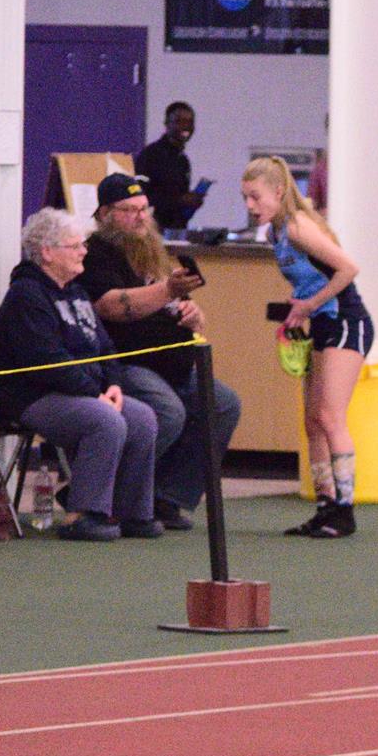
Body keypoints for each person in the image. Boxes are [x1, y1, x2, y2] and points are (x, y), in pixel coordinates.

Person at [81, 172, 241, 531]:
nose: (140, 217)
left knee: (223, 404)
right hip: (127, 363)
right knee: (168, 412)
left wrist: (192, 311)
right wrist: (169, 290)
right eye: (129, 210)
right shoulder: (96, 254)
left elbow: (174, 300)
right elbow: (111, 306)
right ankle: (107, 493)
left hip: (173, 360)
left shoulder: (150, 250)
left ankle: (166, 497)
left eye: (143, 209)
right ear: (105, 213)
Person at [0, 209, 161, 542]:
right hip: (33, 395)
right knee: (105, 420)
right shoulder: (26, 295)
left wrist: (112, 384)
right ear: (47, 252)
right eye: (74, 245)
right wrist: (93, 393)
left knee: (142, 418)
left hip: (83, 391)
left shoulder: (77, 292)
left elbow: (107, 347)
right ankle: (83, 513)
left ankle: (130, 511)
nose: (84, 251)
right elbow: (48, 361)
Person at [242, 155, 373, 538]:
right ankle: (325, 506)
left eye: (255, 197)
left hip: (346, 320)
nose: (250, 206)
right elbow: (311, 281)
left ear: (279, 192)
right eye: (245, 198)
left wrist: (309, 305)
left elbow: (348, 269)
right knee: (312, 421)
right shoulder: (276, 233)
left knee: (330, 417)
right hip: (320, 321)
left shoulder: (298, 226)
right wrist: (297, 311)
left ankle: (345, 510)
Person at [137, 101, 205, 231]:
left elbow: (179, 204)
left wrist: (192, 203)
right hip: (152, 233)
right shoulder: (150, 155)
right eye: (179, 121)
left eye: (190, 122)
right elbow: (140, 197)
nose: (185, 126)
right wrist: (180, 200)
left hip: (177, 232)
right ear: (167, 124)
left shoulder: (183, 161)